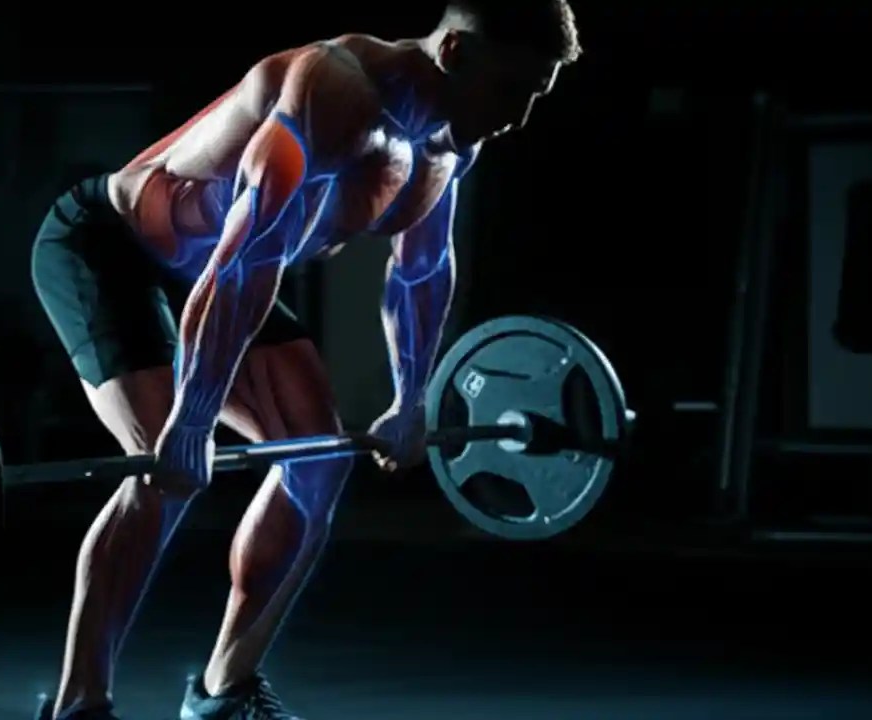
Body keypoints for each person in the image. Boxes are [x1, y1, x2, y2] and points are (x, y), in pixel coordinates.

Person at [30, 2, 581, 718]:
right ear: (453, 51)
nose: (518, 118)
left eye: (535, 97)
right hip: (111, 245)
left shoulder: (453, 143)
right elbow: (242, 262)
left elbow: (420, 268)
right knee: (160, 468)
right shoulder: (332, 90)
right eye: (511, 90)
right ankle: (81, 703)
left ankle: (222, 691)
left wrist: (410, 401)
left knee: (318, 461)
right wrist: (192, 425)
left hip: (217, 270)